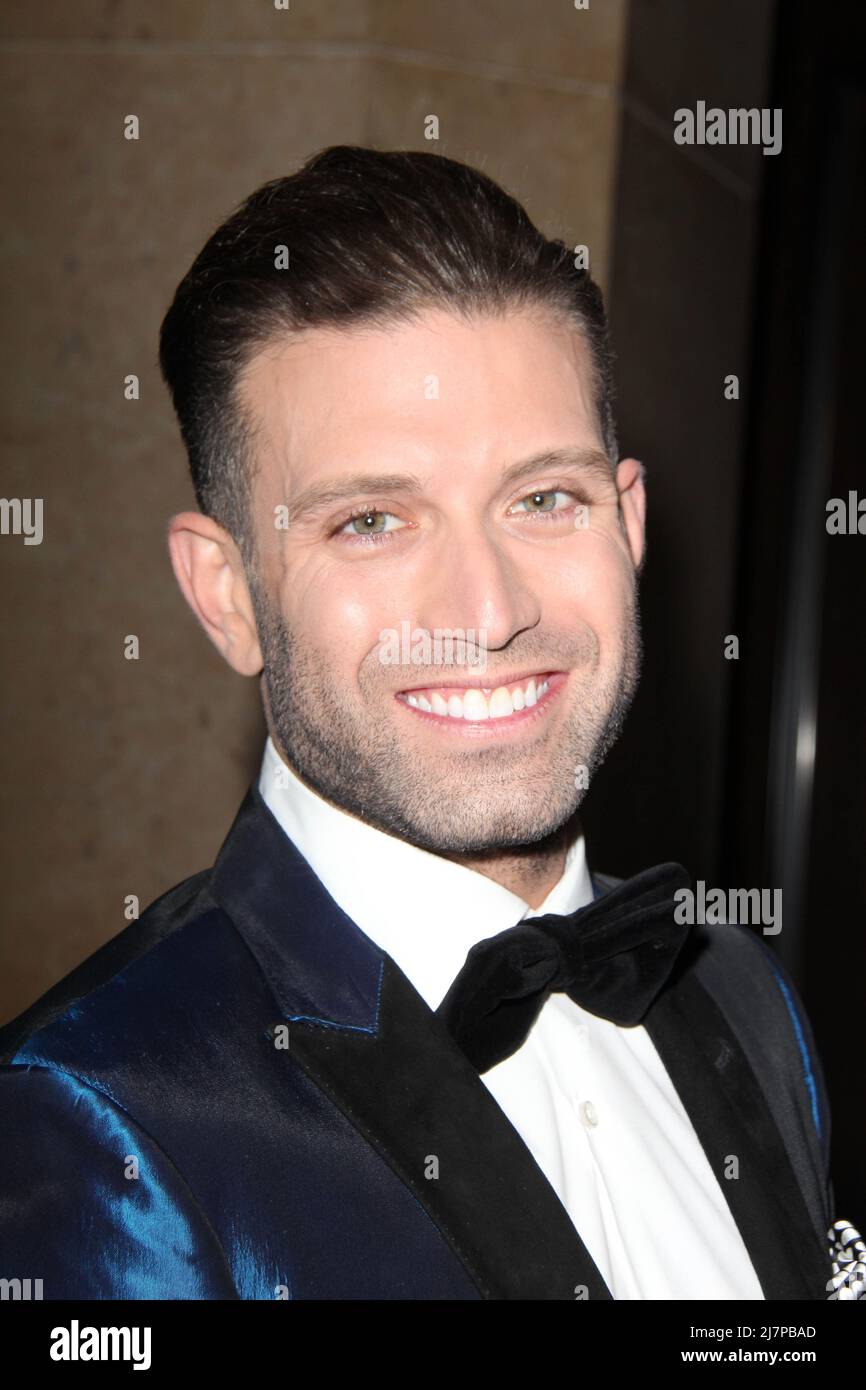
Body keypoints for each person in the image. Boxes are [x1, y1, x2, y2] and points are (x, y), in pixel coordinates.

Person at [0, 146, 846, 1300]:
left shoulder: (742, 1000)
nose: (488, 615)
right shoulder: (100, 1115)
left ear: (628, 523)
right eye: (371, 522)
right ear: (227, 593)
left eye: (543, 498)